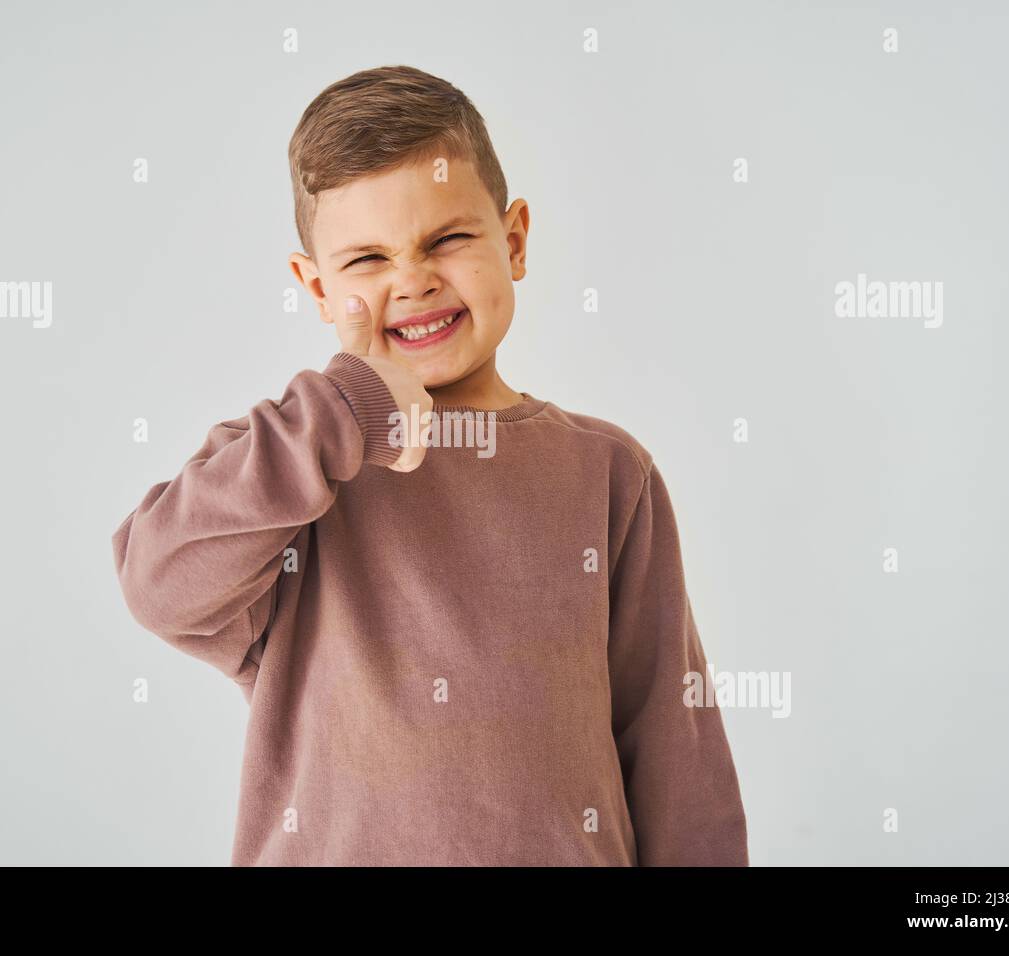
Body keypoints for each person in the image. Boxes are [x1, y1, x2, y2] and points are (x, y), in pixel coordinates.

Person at [111, 64, 748, 866]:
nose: (412, 281)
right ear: (314, 285)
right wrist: (341, 412)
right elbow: (158, 584)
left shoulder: (611, 474)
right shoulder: (287, 465)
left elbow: (674, 749)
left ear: (513, 240)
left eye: (447, 239)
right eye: (367, 261)